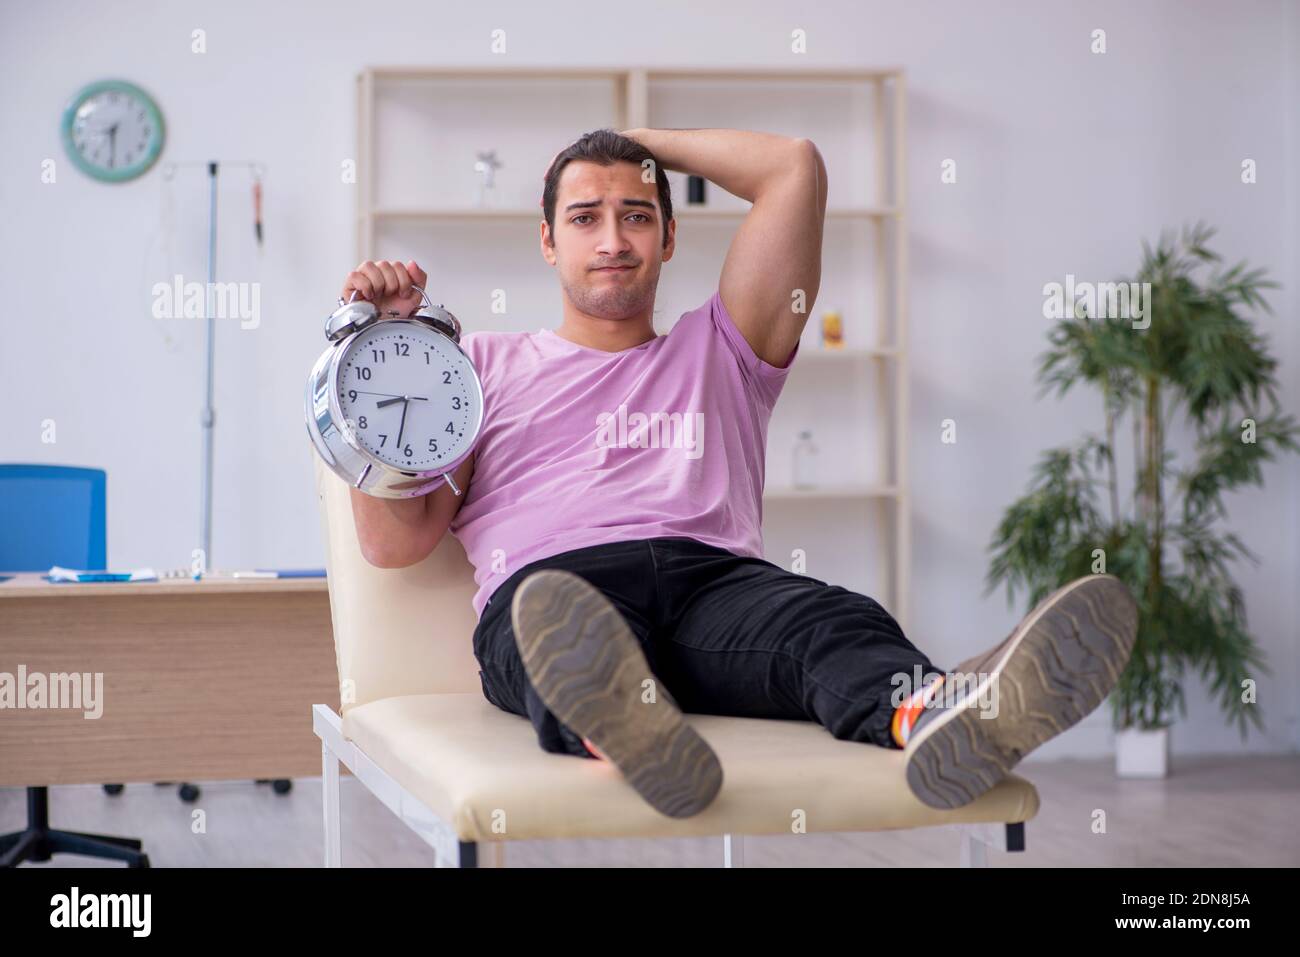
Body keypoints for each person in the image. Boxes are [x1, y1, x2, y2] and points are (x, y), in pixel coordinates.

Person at [340, 128, 1138, 820]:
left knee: (830, 623)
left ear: (670, 237)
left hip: (717, 586)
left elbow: (793, 166)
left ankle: (946, 714)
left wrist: (628, 140)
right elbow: (393, 541)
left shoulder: (726, 347)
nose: (612, 238)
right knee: (558, 639)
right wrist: (370, 356)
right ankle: (626, 723)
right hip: (556, 587)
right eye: (585, 217)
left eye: (637, 215)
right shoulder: (473, 367)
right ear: (548, 241)